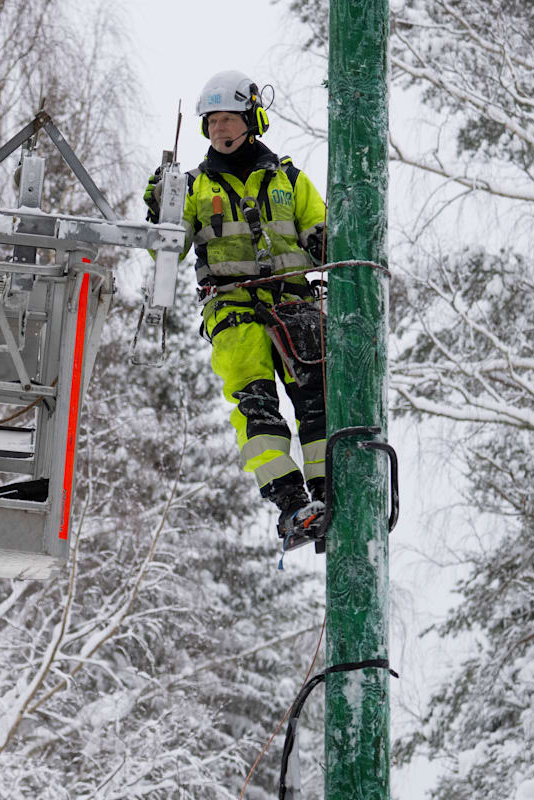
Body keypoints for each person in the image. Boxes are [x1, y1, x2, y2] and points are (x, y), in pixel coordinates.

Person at [144, 70, 329, 539]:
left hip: (294, 305)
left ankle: (330, 492)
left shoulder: (290, 179)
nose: (219, 130)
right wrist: (159, 212)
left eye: (228, 119)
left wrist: (323, 242)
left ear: (252, 119)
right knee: (257, 407)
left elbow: (323, 234)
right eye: (212, 122)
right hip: (232, 311)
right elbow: (167, 250)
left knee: (315, 401)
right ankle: (291, 505)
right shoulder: (192, 188)